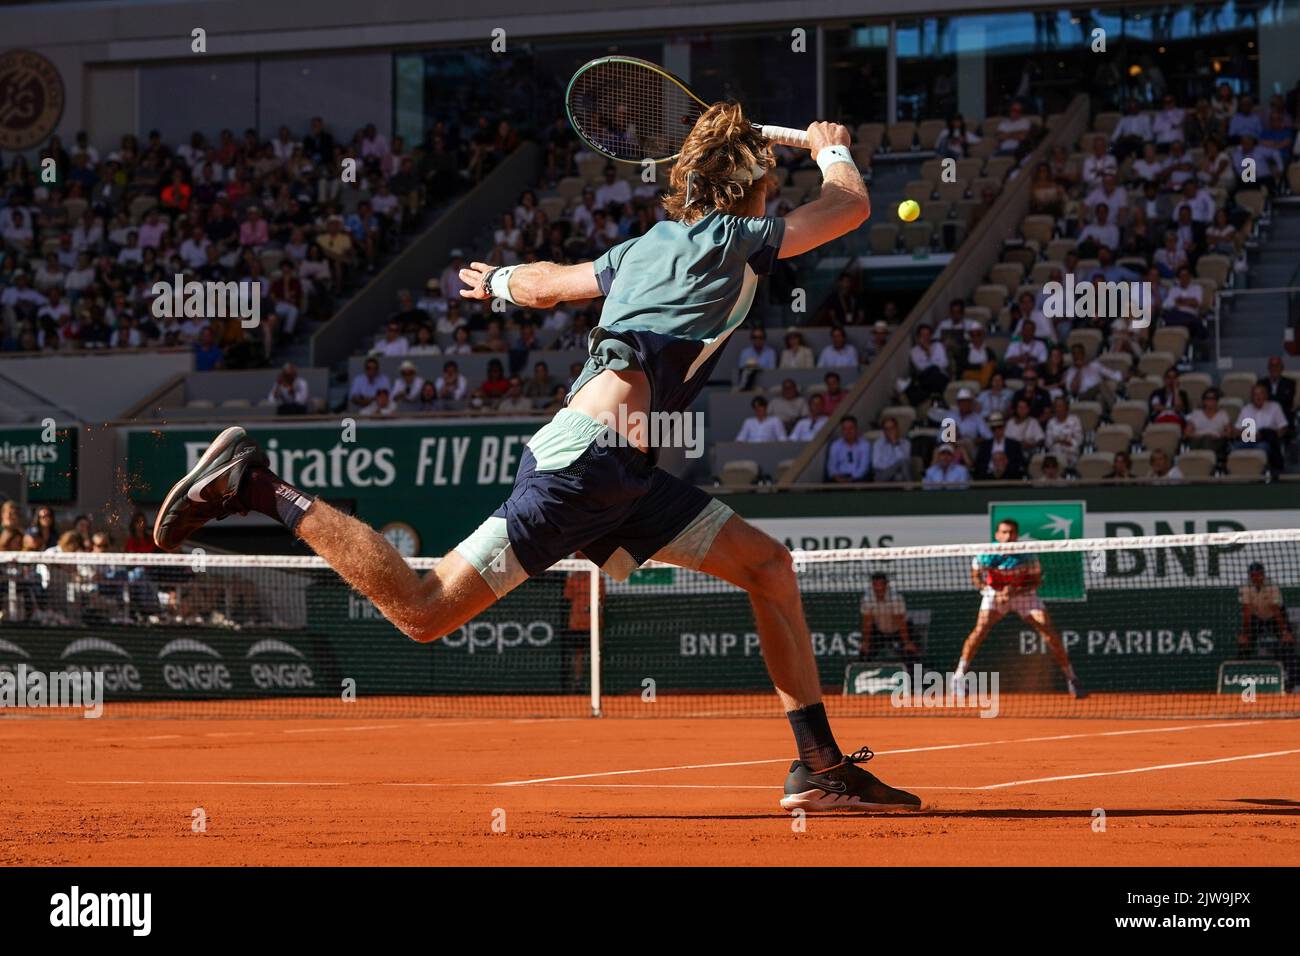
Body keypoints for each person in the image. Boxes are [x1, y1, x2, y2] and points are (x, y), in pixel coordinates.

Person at [151, 109, 921, 811]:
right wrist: (833, 153)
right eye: (768, 184)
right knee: (424, 611)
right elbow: (848, 207)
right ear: (750, 190)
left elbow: (555, 285)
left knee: (768, 567)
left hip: (626, 476)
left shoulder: (640, 249)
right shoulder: (730, 238)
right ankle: (255, 483)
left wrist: (499, 284)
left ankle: (818, 767)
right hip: (585, 469)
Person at [955, 518, 1086, 698]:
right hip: (994, 594)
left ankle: (1072, 679)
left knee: (1049, 633)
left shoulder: (1027, 555)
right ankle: (958, 677)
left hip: (1024, 596)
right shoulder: (985, 553)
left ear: (1016, 535)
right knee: (979, 630)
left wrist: (1014, 591)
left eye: (1011, 533)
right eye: (1004, 532)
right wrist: (990, 591)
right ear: (997, 535)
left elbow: (1036, 581)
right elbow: (976, 577)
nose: (1008, 536)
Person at [1237, 561, 1296, 684]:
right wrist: (1245, 634)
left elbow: (1277, 611)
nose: (1256, 577)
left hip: (1275, 618)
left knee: (1288, 646)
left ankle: (1294, 681)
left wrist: (1285, 632)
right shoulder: (1245, 588)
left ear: (1263, 575)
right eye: (1252, 575)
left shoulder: (1272, 587)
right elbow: (1246, 613)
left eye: (1258, 574)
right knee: (1244, 646)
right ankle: (1238, 679)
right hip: (1255, 619)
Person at [859, 572, 919, 666]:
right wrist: (866, 642)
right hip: (879, 631)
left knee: (910, 654)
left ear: (886, 585)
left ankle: (915, 678)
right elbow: (868, 622)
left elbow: (900, 622)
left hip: (899, 631)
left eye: (881, 584)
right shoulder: (867, 599)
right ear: (872, 585)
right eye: (875, 585)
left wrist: (907, 642)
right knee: (864, 653)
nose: (878, 588)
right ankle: (862, 676)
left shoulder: (896, 598)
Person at [560, 570, 605, 693]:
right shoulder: (572, 579)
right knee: (578, 654)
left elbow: (602, 601)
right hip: (576, 624)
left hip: (594, 624)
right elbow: (568, 597)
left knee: (597, 654)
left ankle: (598, 686)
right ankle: (578, 684)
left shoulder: (599, 579)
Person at [825, 416, 870, 482]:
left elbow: (864, 467)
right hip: (838, 479)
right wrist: (837, 477)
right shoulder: (835, 445)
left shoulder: (864, 445)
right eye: (845, 429)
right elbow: (831, 466)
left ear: (856, 429)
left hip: (858, 479)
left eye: (851, 428)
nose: (848, 431)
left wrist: (851, 479)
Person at [871, 415, 912, 482]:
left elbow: (905, 461)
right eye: (886, 429)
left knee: (900, 474)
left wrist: (895, 444)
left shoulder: (906, 443)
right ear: (883, 431)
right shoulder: (878, 444)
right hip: (882, 474)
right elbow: (876, 464)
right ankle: (911, 489)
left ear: (897, 428)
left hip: (899, 473)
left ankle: (909, 489)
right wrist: (894, 467)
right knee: (901, 464)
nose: (889, 431)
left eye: (892, 428)